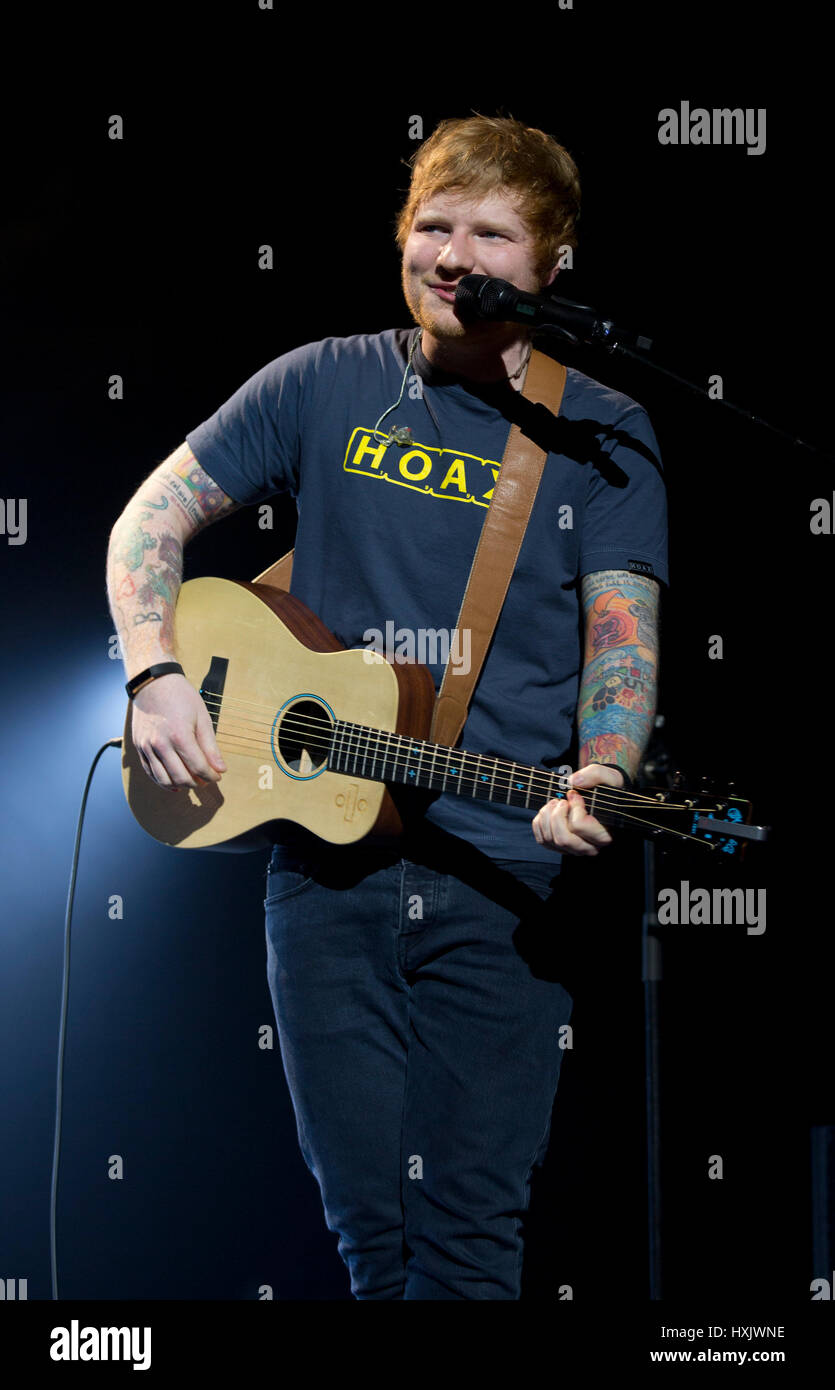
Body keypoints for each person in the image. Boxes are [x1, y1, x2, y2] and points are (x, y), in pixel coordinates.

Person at [106, 114, 667, 1299]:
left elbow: (621, 628)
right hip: (326, 873)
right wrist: (155, 670)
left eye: (491, 233)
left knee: (464, 1247)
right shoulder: (322, 380)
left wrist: (606, 768)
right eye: (432, 224)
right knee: (373, 1247)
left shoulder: (602, 429)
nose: (453, 255)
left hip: (506, 877)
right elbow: (148, 520)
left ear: (553, 266)